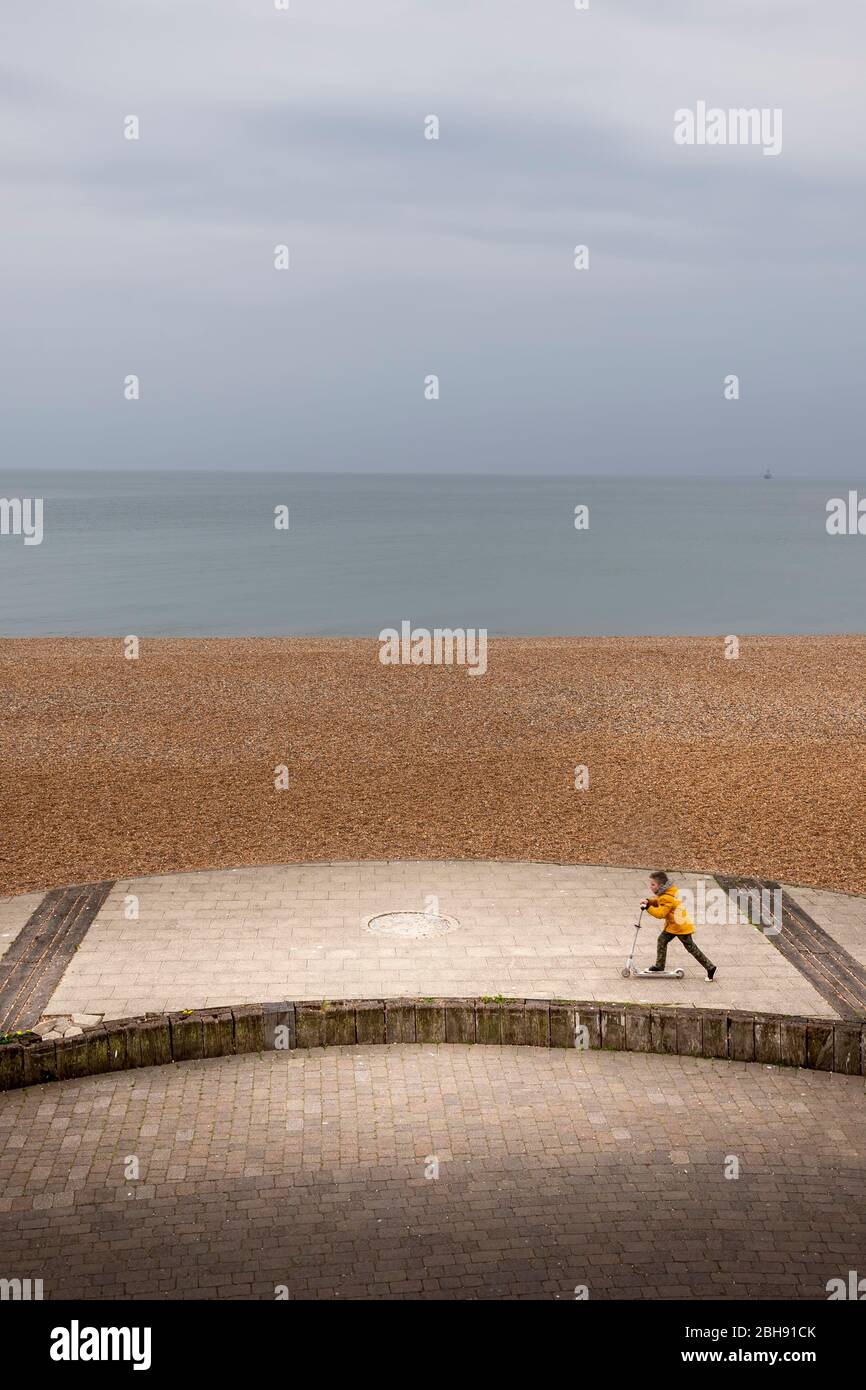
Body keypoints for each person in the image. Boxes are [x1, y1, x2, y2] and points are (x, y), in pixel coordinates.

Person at [640, 871, 717, 980]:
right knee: (662, 940)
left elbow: (661, 913)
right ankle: (659, 966)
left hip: (680, 927)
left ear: (661, 886)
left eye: (653, 884)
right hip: (675, 926)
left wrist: (647, 907)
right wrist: (649, 902)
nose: (650, 887)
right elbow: (659, 901)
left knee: (691, 948)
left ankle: (710, 967)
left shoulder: (667, 897)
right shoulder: (668, 892)